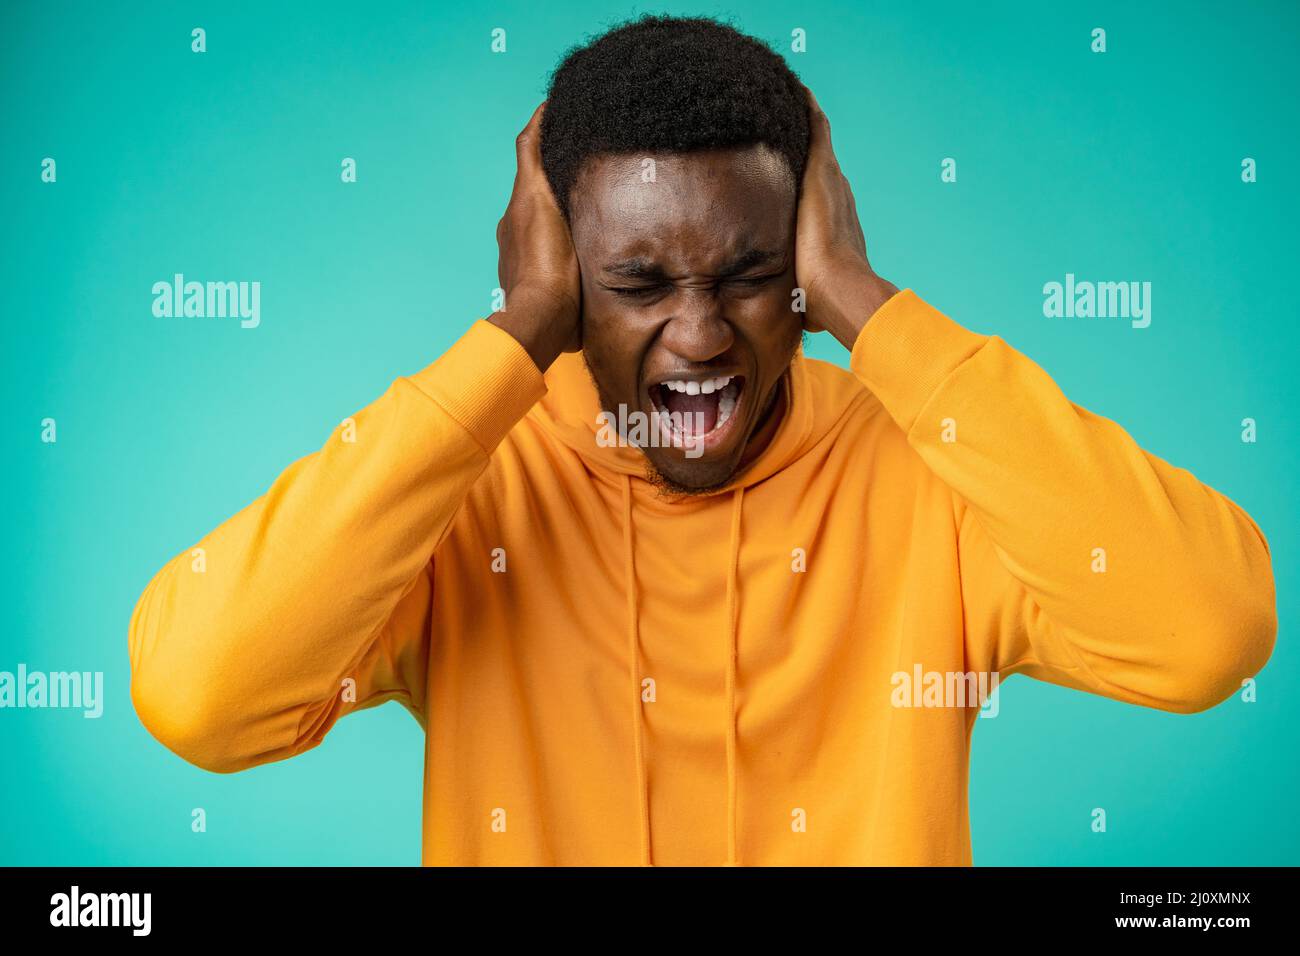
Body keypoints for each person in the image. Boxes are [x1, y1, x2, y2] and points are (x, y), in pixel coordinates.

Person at [128, 15, 1277, 866]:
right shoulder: (470, 487)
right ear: (565, 275)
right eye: (634, 282)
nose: (697, 334)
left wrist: (870, 308)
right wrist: (512, 338)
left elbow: (1209, 631)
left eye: (753, 275)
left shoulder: (934, 464)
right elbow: (200, 693)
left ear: (805, 265)